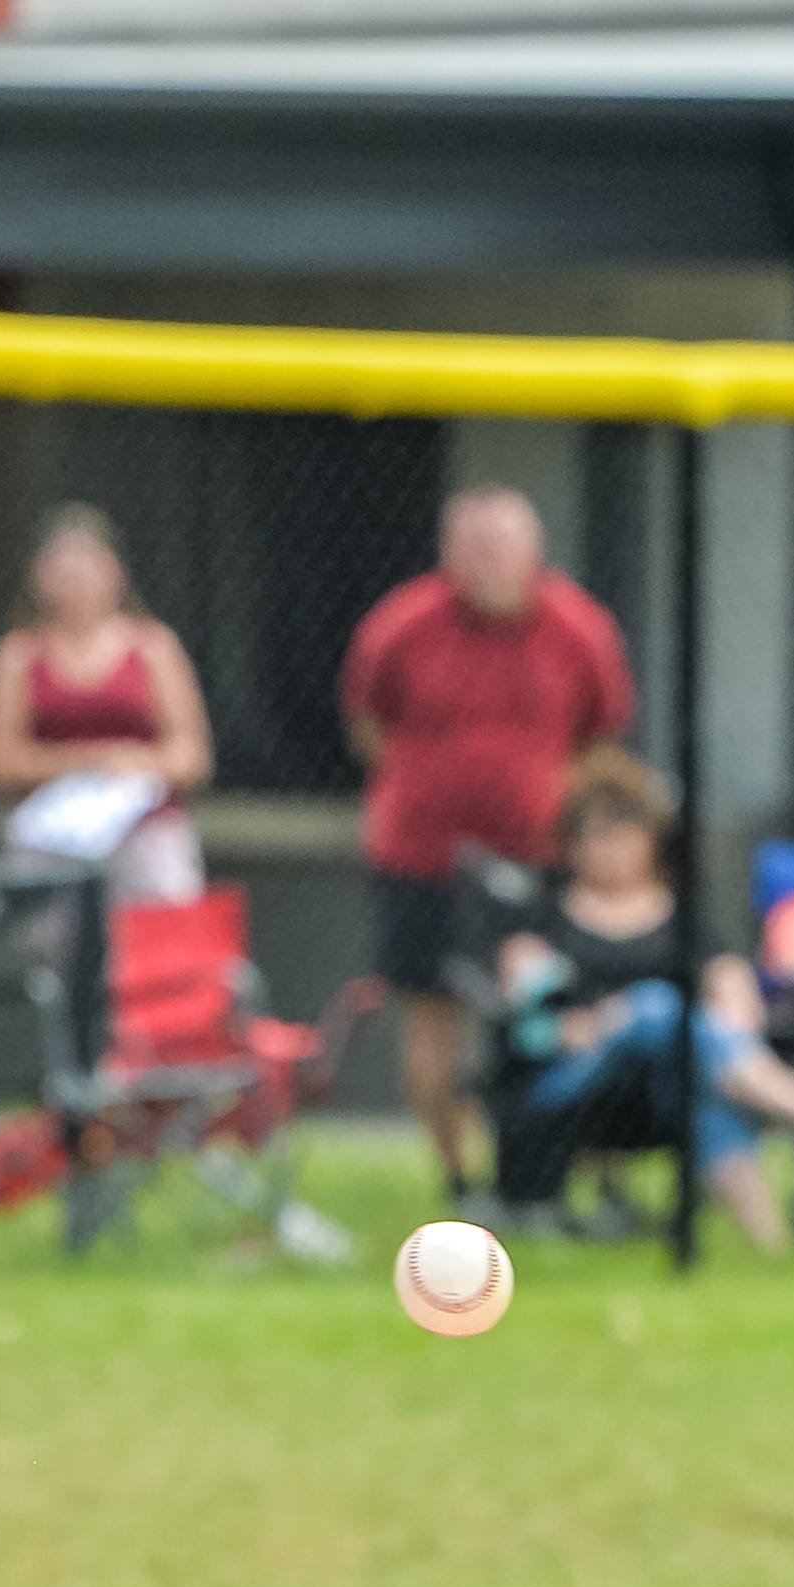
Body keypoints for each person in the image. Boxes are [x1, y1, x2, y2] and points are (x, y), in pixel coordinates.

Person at [342, 485, 635, 1206]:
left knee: (561, 1009)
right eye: (474, 546)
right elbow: (367, 724)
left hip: (541, 859)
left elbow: (603, 732)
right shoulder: (403, 624)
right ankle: (457, 1174)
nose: (490, 561)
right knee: (435, 1012)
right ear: (448, 555)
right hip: (424, 858)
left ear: (534, 551)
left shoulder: (579, 628)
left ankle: (587, 1172)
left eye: (502, 545)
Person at [489, 753, 794, 1252]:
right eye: (597, 834)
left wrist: (723, 1023)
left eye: (625, 833)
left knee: (698, 1088)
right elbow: (541, 1030)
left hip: (668, 1082)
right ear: (572, 843)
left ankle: (773, 1251)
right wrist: (616, 1021)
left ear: (652, 840)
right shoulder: (543, 922)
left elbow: (733, 993)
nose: (611, 849)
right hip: (574, 1082)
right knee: (656, 1008)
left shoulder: (684, 921)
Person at [0, 502, 212, 903]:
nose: (76, 581)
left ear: (115, 572)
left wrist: (136, 767)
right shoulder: (17, 656)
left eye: (87, 567)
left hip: (145, 833)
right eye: (62, 569)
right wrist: (88, 762)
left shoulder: (154, 647)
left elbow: (192, 756)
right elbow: (0, 760)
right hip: (49, 838)